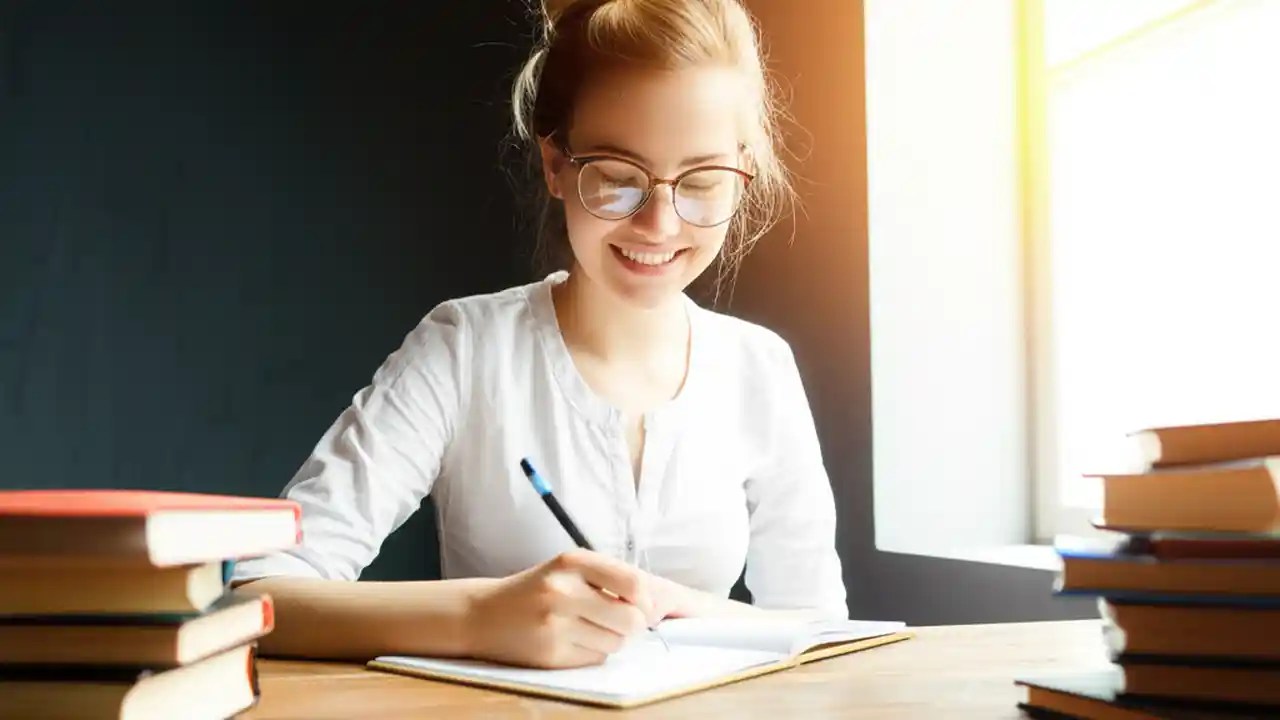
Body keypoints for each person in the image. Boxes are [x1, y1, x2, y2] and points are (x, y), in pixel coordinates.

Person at [231, 0, 847, 670]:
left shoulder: (760, 369)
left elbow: (826, 635)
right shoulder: (465, 349)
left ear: (742, 173)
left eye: (701, 183)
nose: (660, 225)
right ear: (556, 164)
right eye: (616, 179)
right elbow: (260, 597)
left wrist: (676, 608)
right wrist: (480, 617)